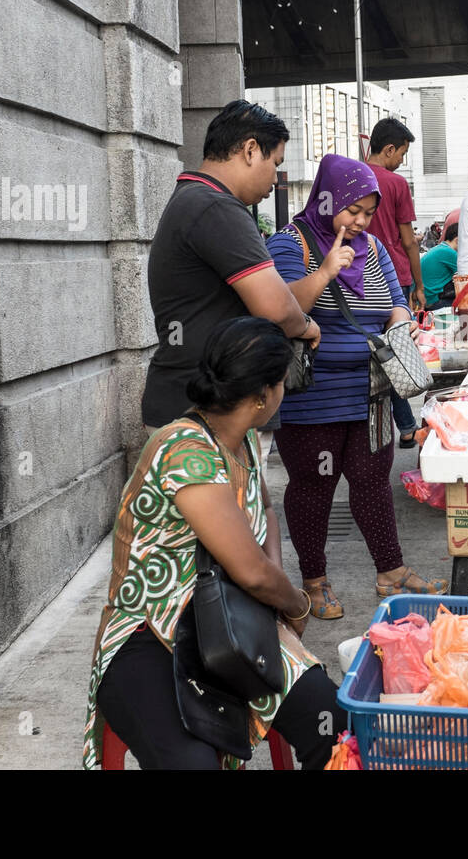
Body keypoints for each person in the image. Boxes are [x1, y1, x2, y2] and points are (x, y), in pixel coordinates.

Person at [83, 317, 345, 770]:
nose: (283, 393)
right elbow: (251, 573)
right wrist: (294, 605)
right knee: (193, 762)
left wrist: (271, 606)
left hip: (227, 623)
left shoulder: (241, 442)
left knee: (330, 715)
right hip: (148, 633)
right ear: (263, 394)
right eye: (281, 384)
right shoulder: (185, 449)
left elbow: (264, 513)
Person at [268, 154, 448, 620]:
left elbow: (395, 302)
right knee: (314, 485)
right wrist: (326, 270)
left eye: (368, 212)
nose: (361, 221)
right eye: (353, 210)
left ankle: (389, 571)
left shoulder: (373, 248)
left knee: (372, 481)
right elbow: (283, 310)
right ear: (329, 198)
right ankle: (314, 580)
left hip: (370, 390)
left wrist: (401, 323)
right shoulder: (292, 243)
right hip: (314, 395)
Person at [142, 101, 320, 467]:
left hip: (196, 403)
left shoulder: (194, 199)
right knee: (234, 523)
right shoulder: (216, 207)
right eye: (276, 164)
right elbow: (273, 307)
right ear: (250, 150)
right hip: (211, 413)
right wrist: (305, 325)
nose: (275, 179)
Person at [364, 117, 424, 447]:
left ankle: (374, 429)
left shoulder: (350, 175)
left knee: (370, 352)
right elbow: (409, 241)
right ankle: (406, 427)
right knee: (397, 353)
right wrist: (419, 285)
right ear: (389, 149)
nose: (401, 160)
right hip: (393, 278)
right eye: (401, 152)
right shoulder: (397, 185)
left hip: (355, 280)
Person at [421, 214, 460, 308]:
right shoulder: (449, 253)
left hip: (427, 298)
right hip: (434, 301)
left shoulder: (440, 248)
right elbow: (467, 275)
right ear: (458, 240)